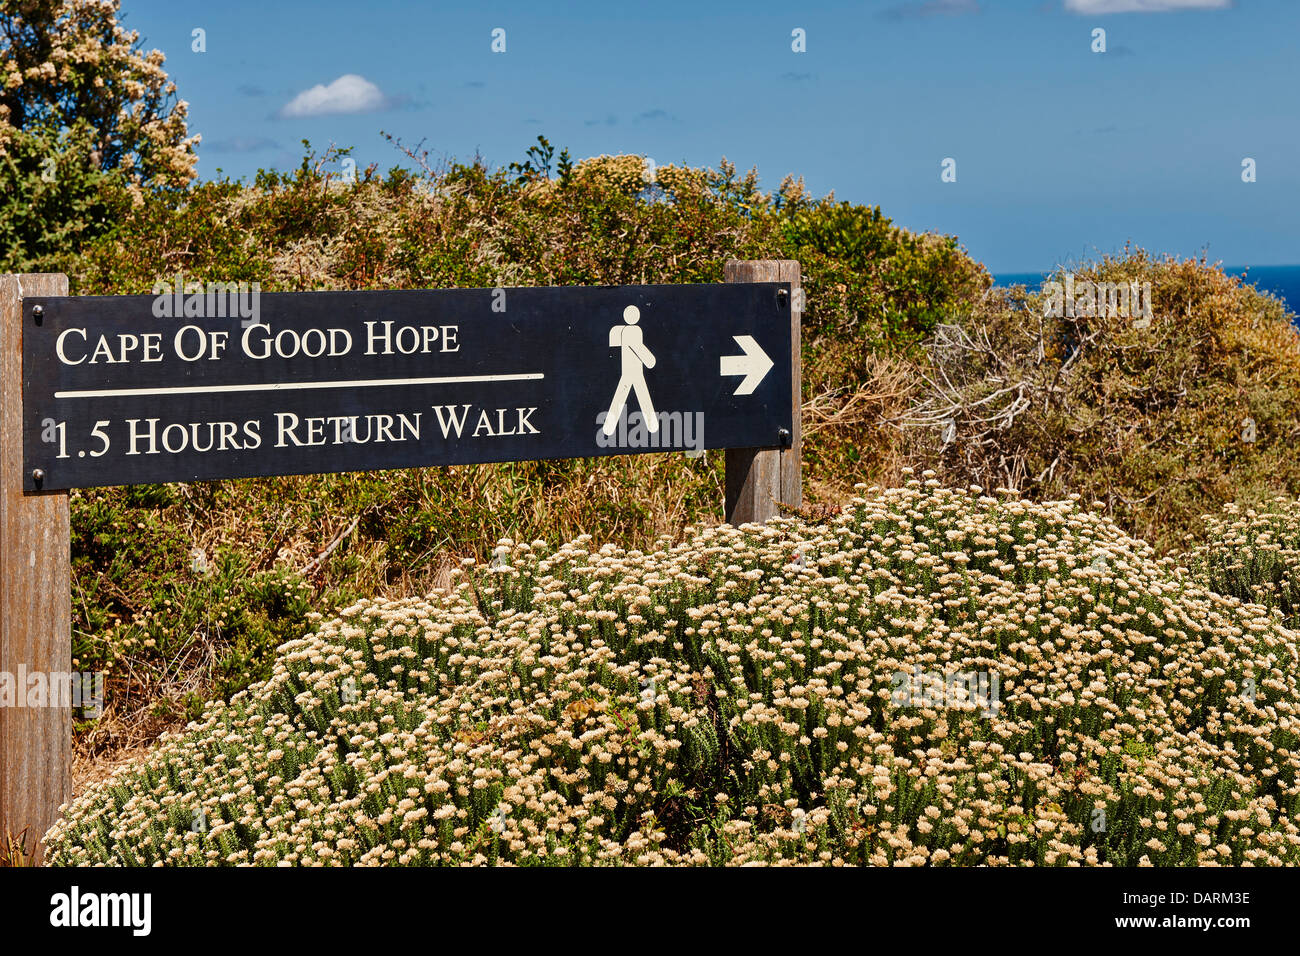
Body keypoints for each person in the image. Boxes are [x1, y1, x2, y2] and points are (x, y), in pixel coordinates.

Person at [602, 305, 658, 435]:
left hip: (633, 371)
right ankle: (609, 427)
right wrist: (650, 360)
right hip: (631, 370)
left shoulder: (627, 330)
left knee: (628, 396)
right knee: (629, 396)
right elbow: (637, 347)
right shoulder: (631, 332)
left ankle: (609, 427)